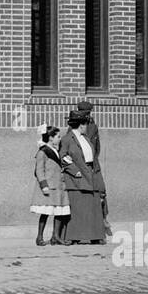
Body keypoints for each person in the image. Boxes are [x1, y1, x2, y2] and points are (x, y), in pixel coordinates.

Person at [59, 101, 107, 245]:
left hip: (90, 173)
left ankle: (95, 235)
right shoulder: (67, 139)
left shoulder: (85, 138)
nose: (88, 126)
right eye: (85, 124)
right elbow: (64, 157)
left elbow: (95, 151)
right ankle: (74, 236)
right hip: (77, 177)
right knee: (78, 208)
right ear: (80, 125)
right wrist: (75, 171)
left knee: (93, 206)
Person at [30, 124, 71, 246]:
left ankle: (55, 236)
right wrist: (44, 186)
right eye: (58, 136)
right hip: (50, 186)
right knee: (45, 212)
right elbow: (39, 170)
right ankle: (39, 237)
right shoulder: (43, 152)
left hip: (58, 186)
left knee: (59, 211)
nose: (60, 139)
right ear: (51, 138)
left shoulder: (56, 151)